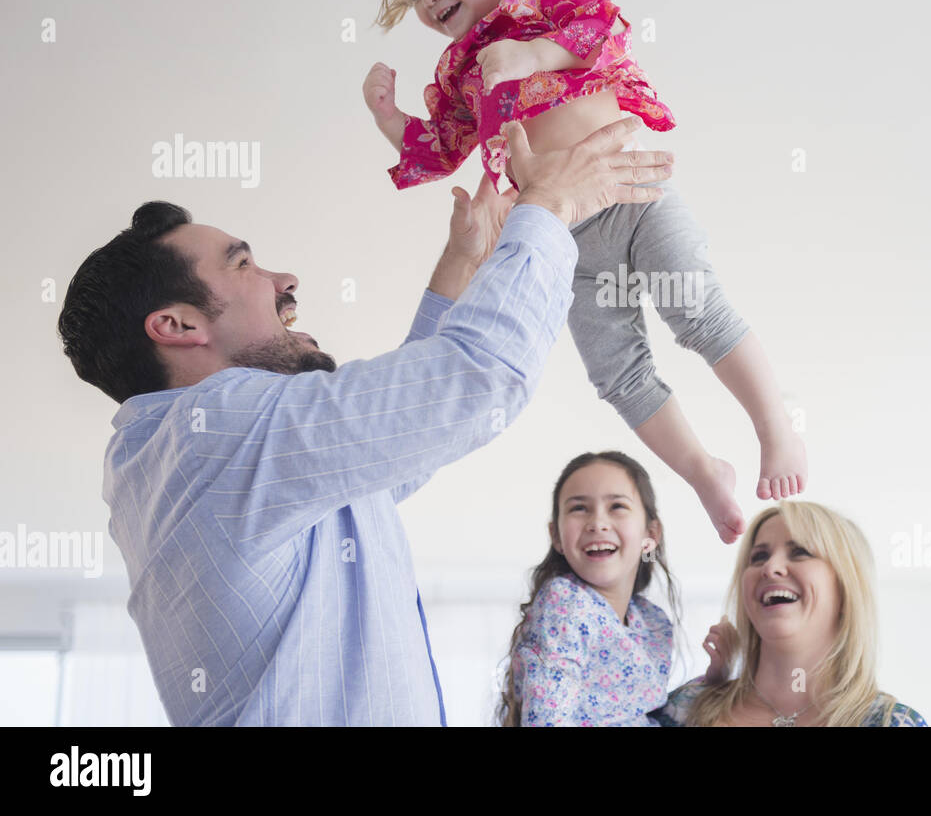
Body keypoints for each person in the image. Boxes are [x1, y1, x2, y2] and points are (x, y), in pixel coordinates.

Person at [55, 115, 669, 725]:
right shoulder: (212, 431)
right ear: (179, 326)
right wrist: (548, 207)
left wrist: (464, 264)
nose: (284, 279)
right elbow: (477, 379)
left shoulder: (196, 454)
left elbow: (383, 462)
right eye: (242, 265)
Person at [363, 0, 809, 544]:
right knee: (616, 370)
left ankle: (776, 429)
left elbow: (600, 32)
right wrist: (390, 118)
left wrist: (531, 55)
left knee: (695, 311)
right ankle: (702, 472)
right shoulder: (458, 72)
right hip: (561, 239)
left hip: (632, 198)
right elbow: (445, 146)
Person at [650, 501, 929, 726]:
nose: (770, 568)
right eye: (758, 557)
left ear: (846, 589)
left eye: (800, 552)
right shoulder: (683, 712)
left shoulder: (891, 722)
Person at [498, 451, 682, 726]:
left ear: (650, 536)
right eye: (579, 508)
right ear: (557, 536)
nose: (597, 523)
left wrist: (714, 678)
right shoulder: (564, 603)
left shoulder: (652, 621)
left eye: (617, 506)